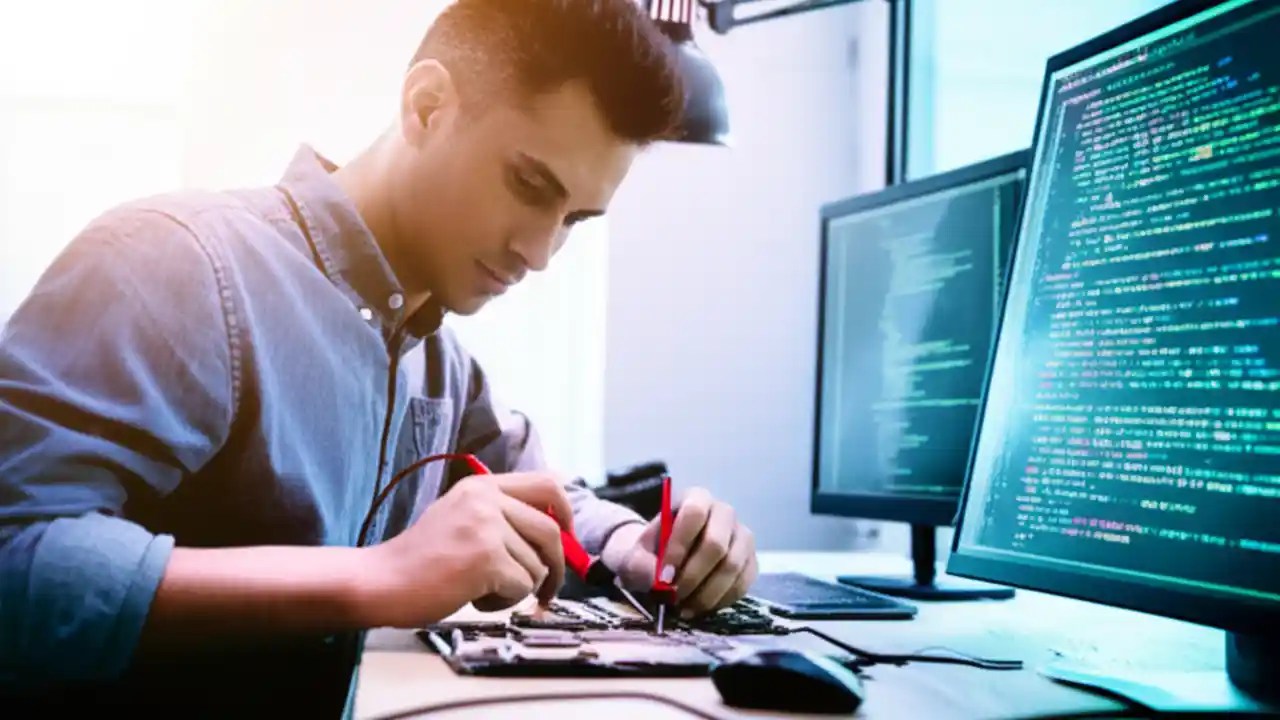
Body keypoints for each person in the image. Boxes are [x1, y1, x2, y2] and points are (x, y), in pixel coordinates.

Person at [0, 0, 758, 714]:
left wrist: (635, 546)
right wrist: (379, 577)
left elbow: (544, 487)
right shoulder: (177, 261)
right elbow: (15, 561)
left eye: (576, 221)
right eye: (529, 185)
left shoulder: (439, 363)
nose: (540, 253)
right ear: (427, 107)